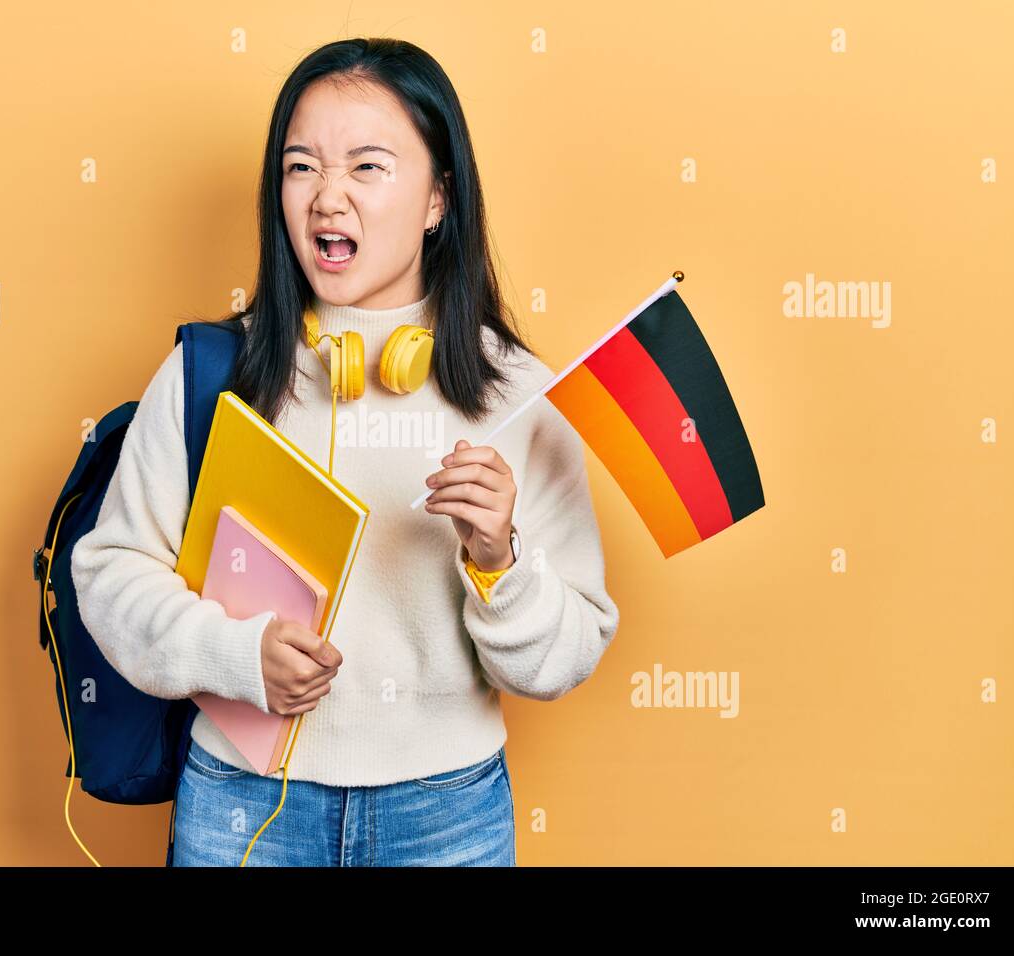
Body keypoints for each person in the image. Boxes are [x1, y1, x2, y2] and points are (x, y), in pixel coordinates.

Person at [71, 37, 620, 867]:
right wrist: (235, 656)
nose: (328, 198)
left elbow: (562, 657)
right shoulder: (210, 374)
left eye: (368, 167)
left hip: (448, 817)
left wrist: (498, 560)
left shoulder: (517, 395)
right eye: (302, 167)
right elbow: (108, 575)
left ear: (438, 198)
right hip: (240, 807)